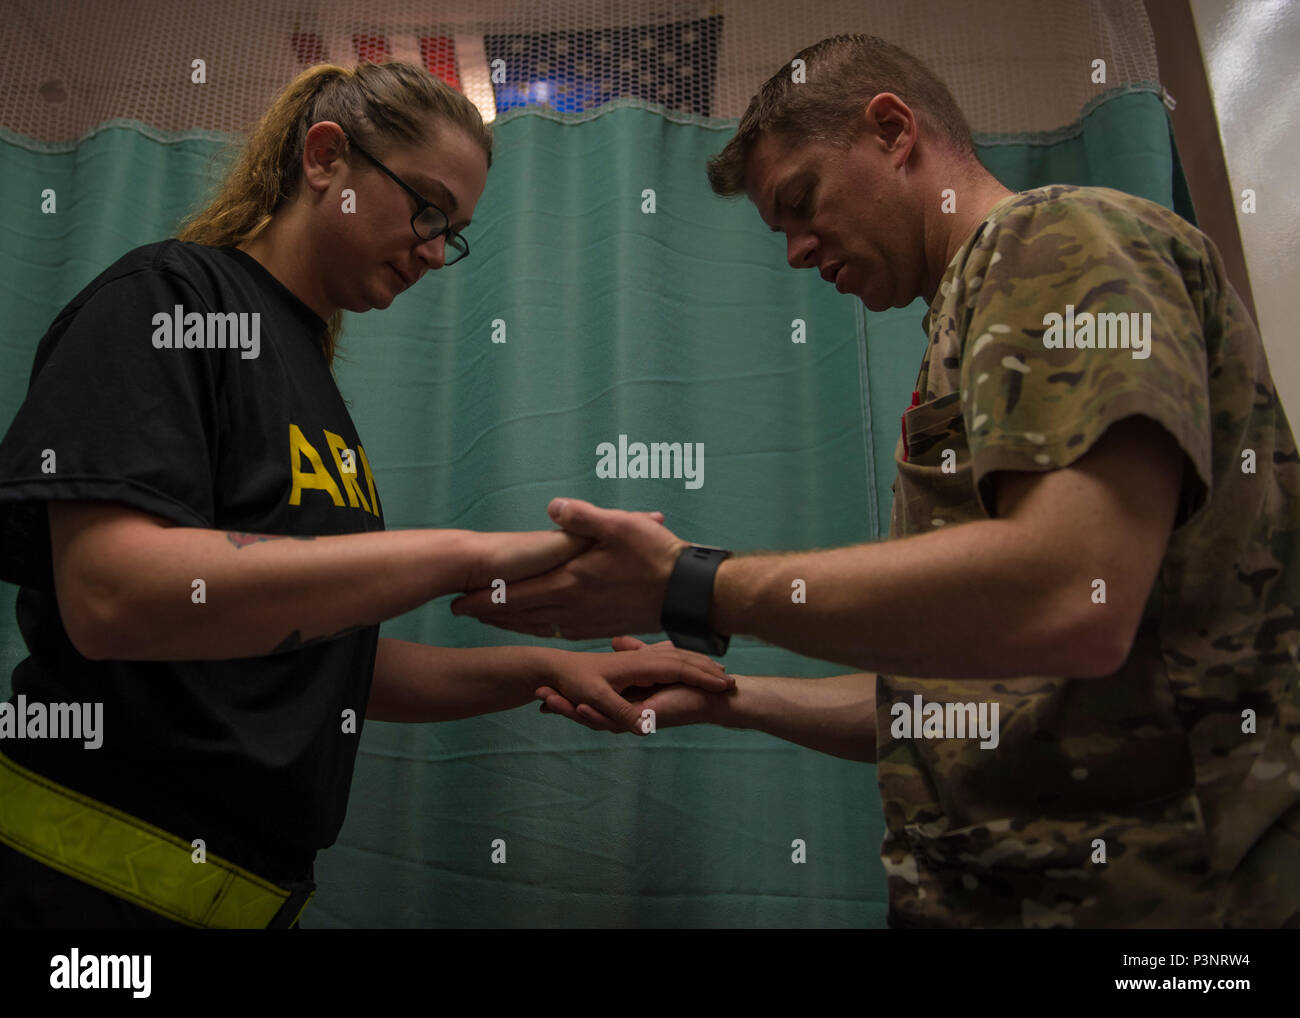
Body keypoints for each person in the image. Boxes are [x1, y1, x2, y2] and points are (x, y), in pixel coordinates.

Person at [451, 35, 1300, 928]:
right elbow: (961, 701)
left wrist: (688, 582)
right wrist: (726, 698)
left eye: (801, 202)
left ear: (894, 130)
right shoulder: (966, 318)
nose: (796, 253)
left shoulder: (1054, 240)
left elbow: (1070, 598)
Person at [0, 60, 730, 930]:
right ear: (324, 158)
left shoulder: (309, 378)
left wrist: (550, 665)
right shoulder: (167, 298)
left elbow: (311, 661)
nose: (433, 250)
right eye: (426, 208)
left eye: (451, 232)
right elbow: (112, 595)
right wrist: (463, 554)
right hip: (71, 895)